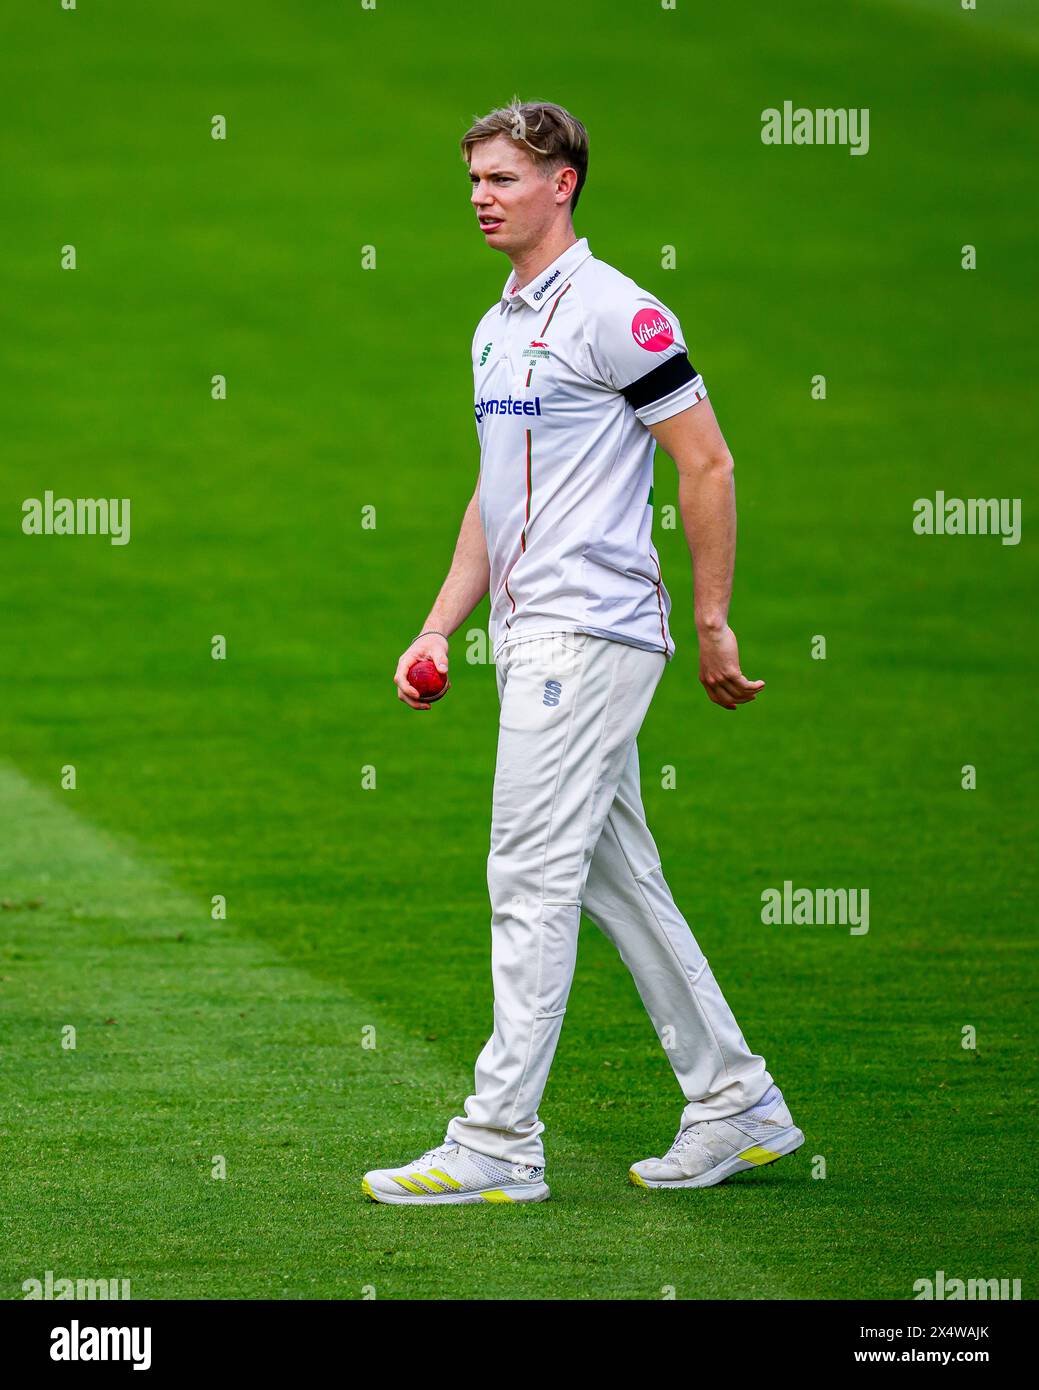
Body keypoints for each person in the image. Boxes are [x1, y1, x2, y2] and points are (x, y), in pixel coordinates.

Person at [363, 99, 803, 1205]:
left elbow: (706, 462)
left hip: (588, 629)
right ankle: (736, 1100)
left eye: (503, 178)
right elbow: (493, 493)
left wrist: (712, 619)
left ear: (562, 183)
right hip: (528, 634)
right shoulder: (496, 326)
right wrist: (439, 624)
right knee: (615, 878)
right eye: (474, 178)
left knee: (527, 874)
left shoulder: (618, 312)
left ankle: (497, 1141)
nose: (481, 197)